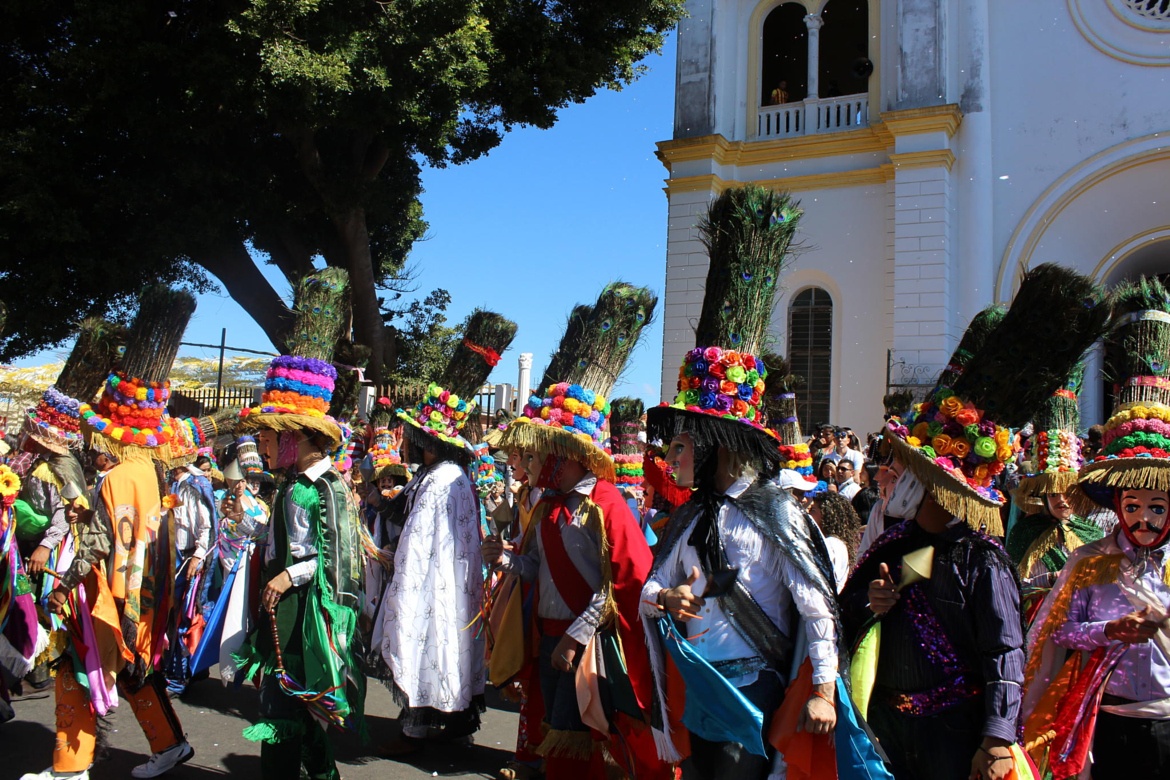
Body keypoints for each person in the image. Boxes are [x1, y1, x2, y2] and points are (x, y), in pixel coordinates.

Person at [840, 263, 1109, 780]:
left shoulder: (983, 563)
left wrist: (996, 739)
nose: (898, 477)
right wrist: (868, 605)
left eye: (912, 470)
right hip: (887, 733)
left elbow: (1005, 652)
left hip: (955, 735)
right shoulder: (896, 543)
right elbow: (847, 610)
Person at [640, 186, 848, 779]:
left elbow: (816, 610)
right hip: (699, 688)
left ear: (717, 445)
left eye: (684, 441)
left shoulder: (779, 514)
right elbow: (647, 592)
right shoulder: (689, 515)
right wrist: (667, 599)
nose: (672, 453)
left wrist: (823, 692)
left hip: (754, 691)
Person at [485, 283, 665, 779]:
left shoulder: (605, 505)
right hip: (547, 637)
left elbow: (621, 584)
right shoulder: (547, 508)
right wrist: (504, 557)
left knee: (577, 745)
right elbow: (536, 569)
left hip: (584, 645)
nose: (534, 461)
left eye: (542, 452)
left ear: (567, 454)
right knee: (553, 736)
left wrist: (575, 638)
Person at [26, 287, 199, 780]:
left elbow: (108, 543)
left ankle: (70, 765)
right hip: (133, 597)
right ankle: (164, 746)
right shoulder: (145, 471)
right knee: (129, 670)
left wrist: (63, 586)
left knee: (77, 668)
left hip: (107, 593)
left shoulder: (119, 476)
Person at [1021, 276, 1170, 779]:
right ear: (1118, 505)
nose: (1143, 519)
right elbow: (1059, 631)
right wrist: (1111, 630)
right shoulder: (1090, 564)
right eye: (1133, 506)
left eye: (1156, 507)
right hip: (1107, 720)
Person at [233, 268, 366, 780]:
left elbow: (329, 558)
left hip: (303, 615)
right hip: (286, 607)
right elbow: (283, 540)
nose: (263, 445)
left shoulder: (318, 487)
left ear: (298, 437)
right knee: (293, 702)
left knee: (284, 706)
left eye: (270, 436)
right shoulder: (292, 485)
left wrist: (289, 576)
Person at [374, 309, 517, 757]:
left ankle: (427, 724)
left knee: (434, 642)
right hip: (443, 577)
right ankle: (437, 719)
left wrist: (396, 564)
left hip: (437, 579)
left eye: (414, 435)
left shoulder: (442, 478)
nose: (408, 441)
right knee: (441, 646)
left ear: (428, 441)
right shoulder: (438, 474)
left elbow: (419, 538)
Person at [808, 491, 861, 591]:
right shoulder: (837, 542)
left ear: (826, 515)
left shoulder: (832, 543)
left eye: (813, 510)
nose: (808, 515)